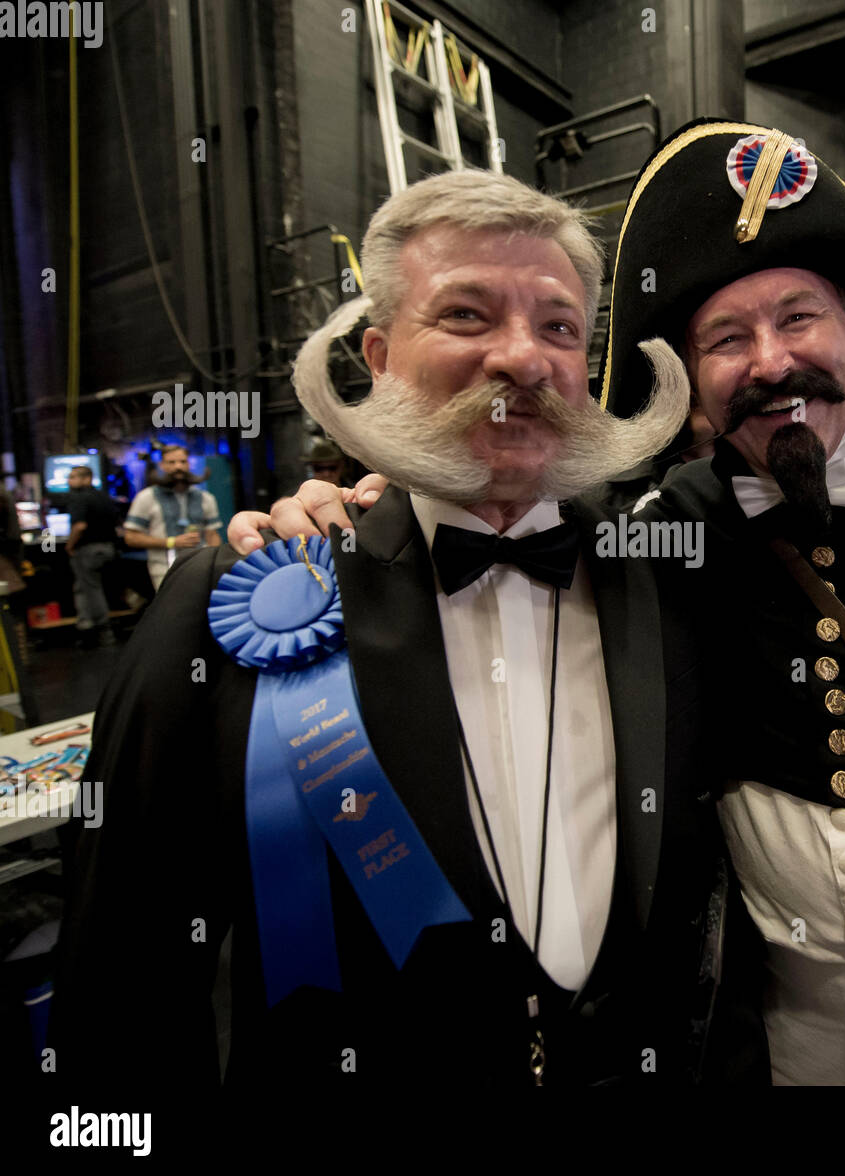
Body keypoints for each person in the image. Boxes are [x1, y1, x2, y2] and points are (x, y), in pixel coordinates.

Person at [239, 122, 845, 1085]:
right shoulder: (654, 535)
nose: (773, 363)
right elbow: (478, 503)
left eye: (799, 318)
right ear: (690, 382)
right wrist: (362, 504)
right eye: (727, 340)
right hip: (771, 1033)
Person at [51, 168, 765, 1090]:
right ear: (379, 358)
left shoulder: (671, 588)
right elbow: (123, 974)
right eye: (466, 316)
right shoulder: (243, 598)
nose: (523, 358)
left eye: (557, 326)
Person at [122, 445, 222, 591]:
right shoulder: (146, 497)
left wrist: (215, 563)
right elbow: (131, 537)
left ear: (188, 464)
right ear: (162, 465)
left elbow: (212, 535)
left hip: (201, 567)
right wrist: (171, 542)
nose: (178, 467)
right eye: (172, 462)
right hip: (163, 569)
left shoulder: (206, 498)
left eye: (183, 462)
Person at [64, 464, 120, 648]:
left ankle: (103, 631)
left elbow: (79, 526)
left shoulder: (78, 497)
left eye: (73, 477)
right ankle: (85, 625)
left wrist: (69, 545)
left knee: (90, 589)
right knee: (85, 587)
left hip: (88, 549)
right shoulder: (103, 496)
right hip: (109, 548)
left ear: (87, 478)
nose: (69, 481)